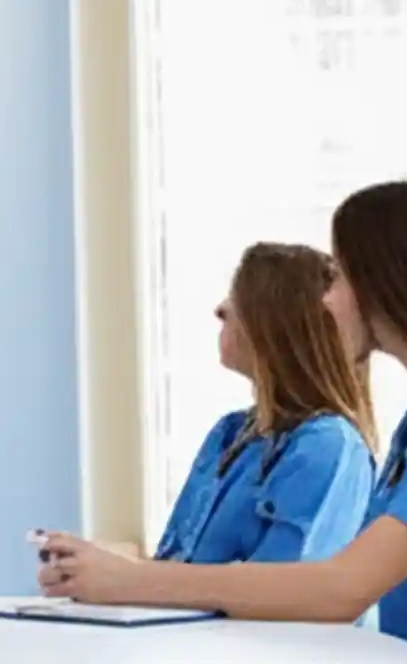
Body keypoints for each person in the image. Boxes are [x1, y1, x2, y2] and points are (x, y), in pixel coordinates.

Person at [36, 179, 407, 663]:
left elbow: (342, 590)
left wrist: (129, 581)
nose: (326, 301)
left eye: (340, 278)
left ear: (389, 283)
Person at [152, 242, 376, 566]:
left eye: (239, 296)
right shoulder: (228, 434)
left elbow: (282, 585)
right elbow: (171, 563)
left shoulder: (328, 445)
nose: (221, 309)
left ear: (278, 322)